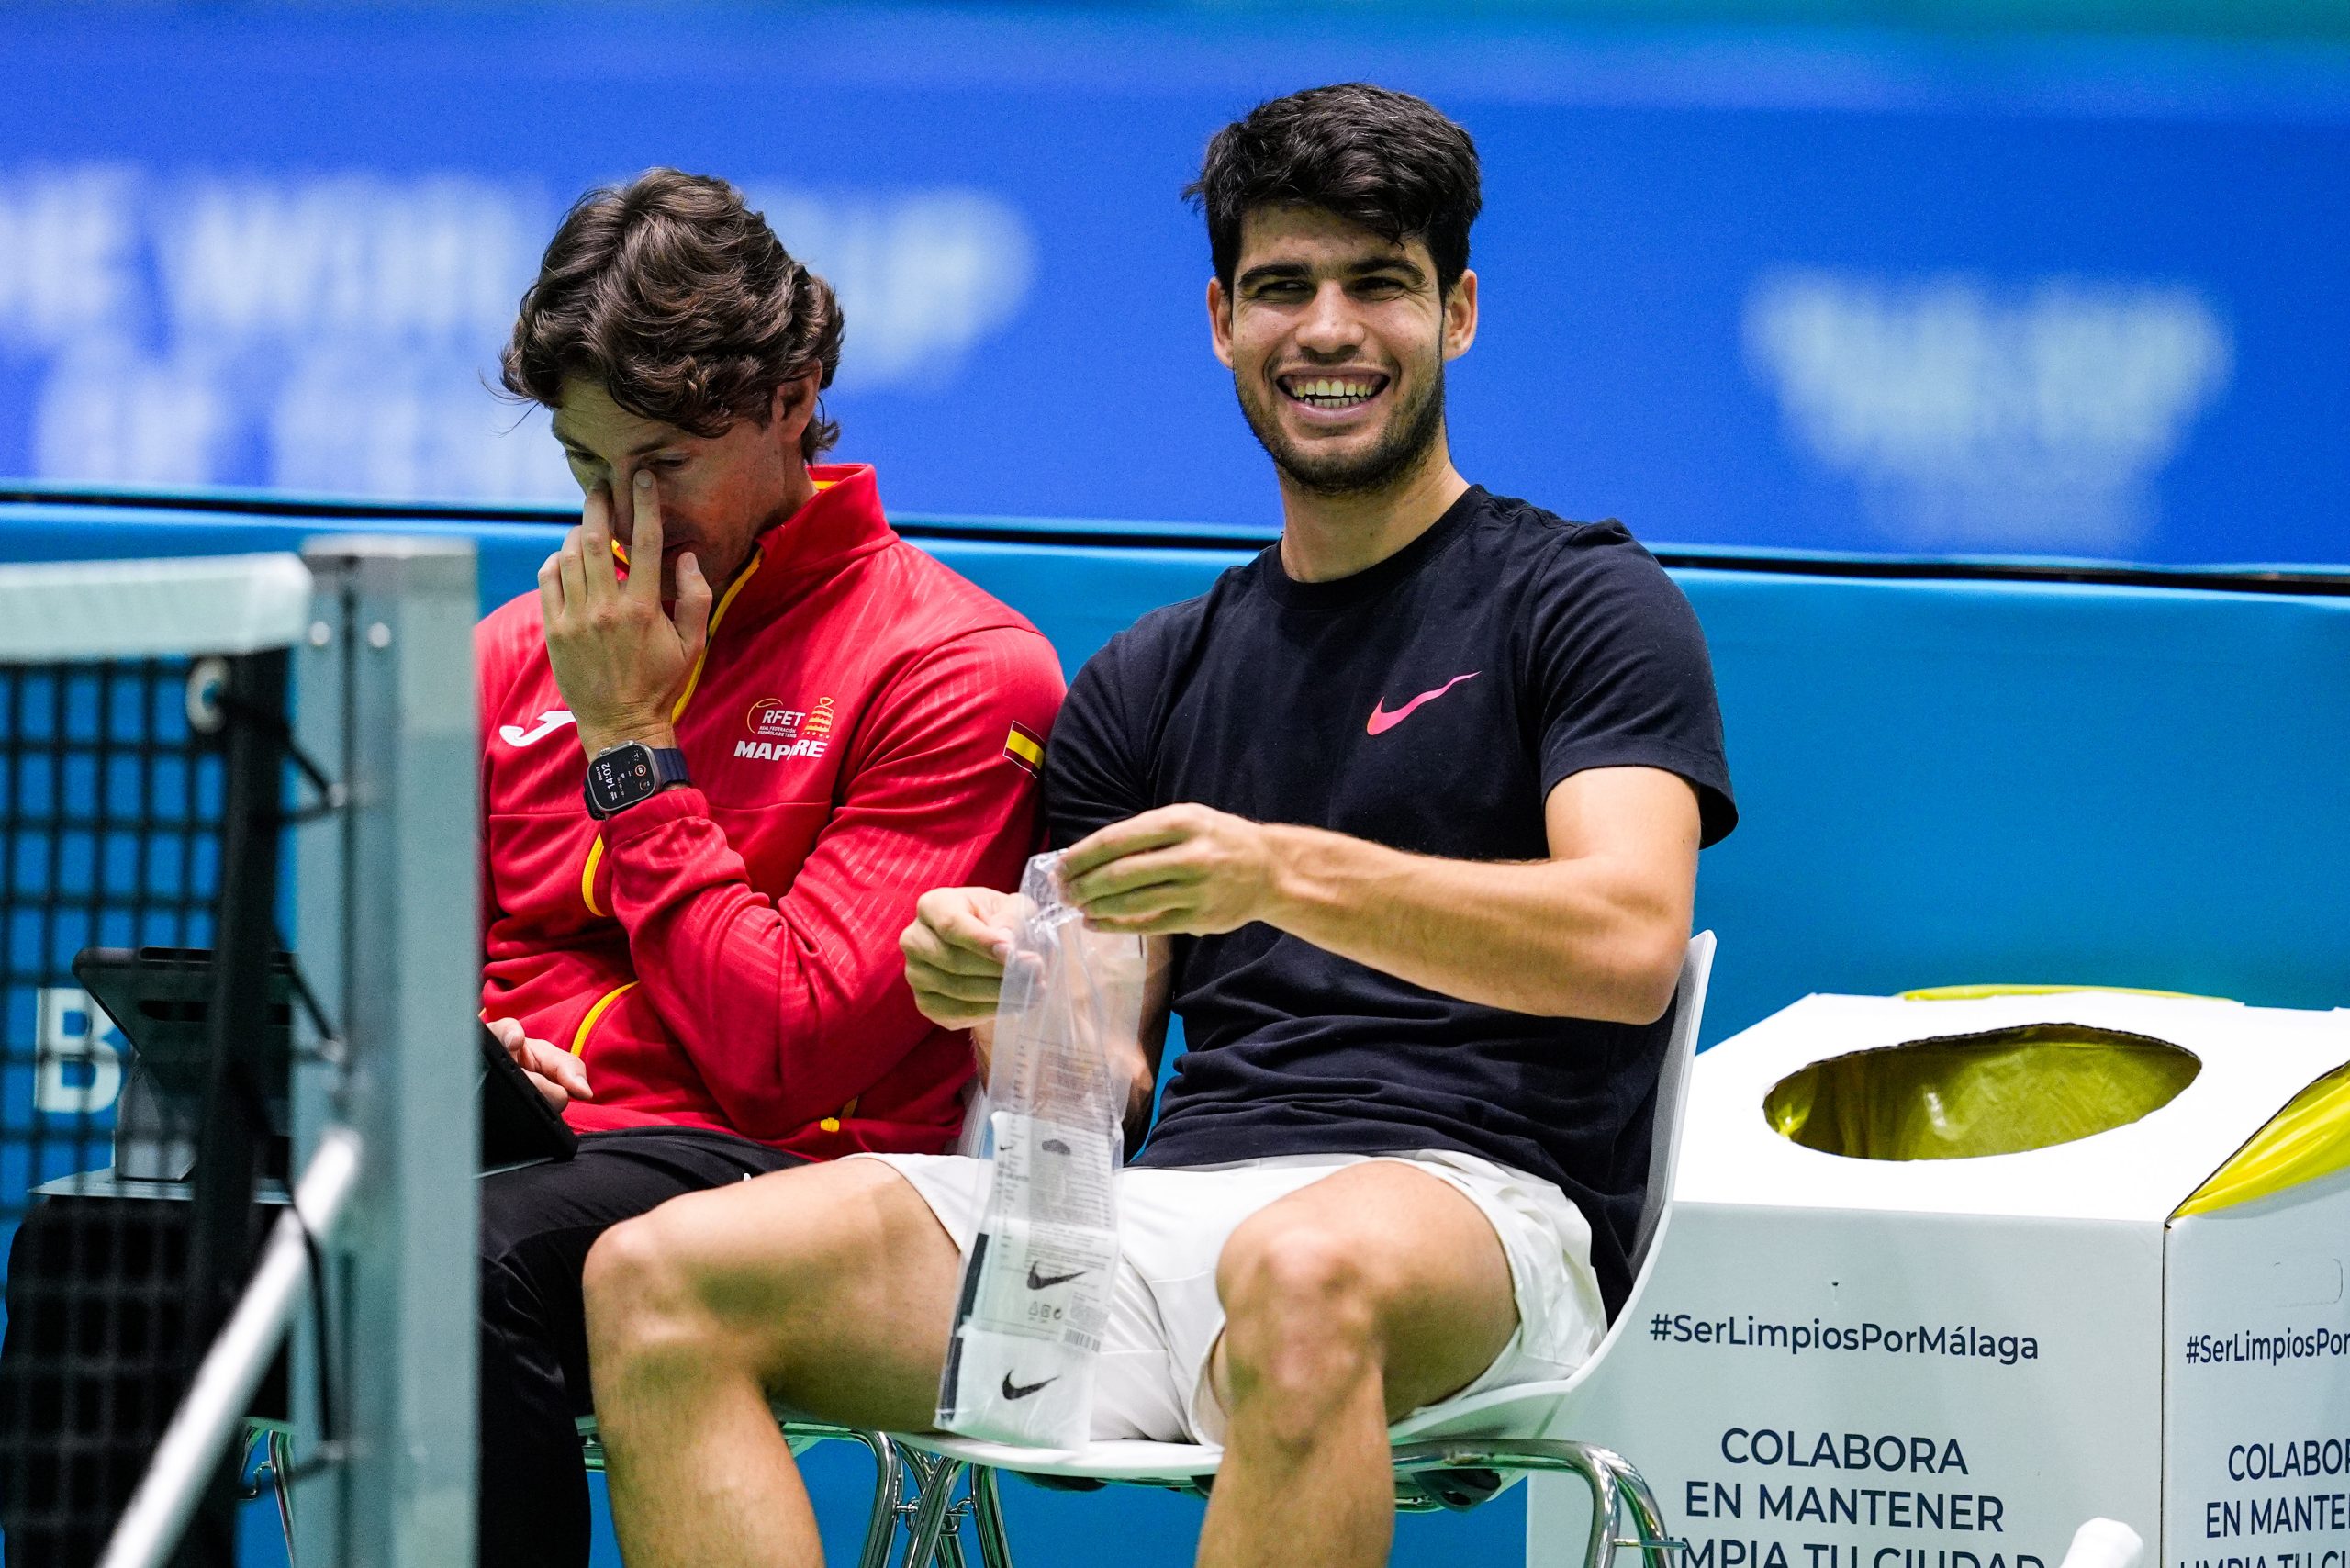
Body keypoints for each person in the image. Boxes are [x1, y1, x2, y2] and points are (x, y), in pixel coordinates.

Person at [579, 87, 1736, 1568]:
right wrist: (1006, 988)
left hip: (1480, 1218)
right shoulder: (1149, 678)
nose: (1326, 329)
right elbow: (1100, 1075)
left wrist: (1281, 871)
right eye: (1279, 289)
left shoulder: (1583, 605)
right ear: (1219, 322)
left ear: (1455, 313)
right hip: (1158, 1219)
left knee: (1301, 1271)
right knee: (658, 1274)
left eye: (1376, 283)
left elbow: (1627, 942)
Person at [0, 168, 1064, 1568]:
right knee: (101, 1251)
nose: (623, 515)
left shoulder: (952, 666)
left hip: (779, 1186)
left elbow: (787, 1052)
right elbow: (406, 985)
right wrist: (467, 1047)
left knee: (445, 1263)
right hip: (510, 1161)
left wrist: (629, 742)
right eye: (582, 466)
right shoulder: (510, 656)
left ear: (797, 396)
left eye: (666, 463)